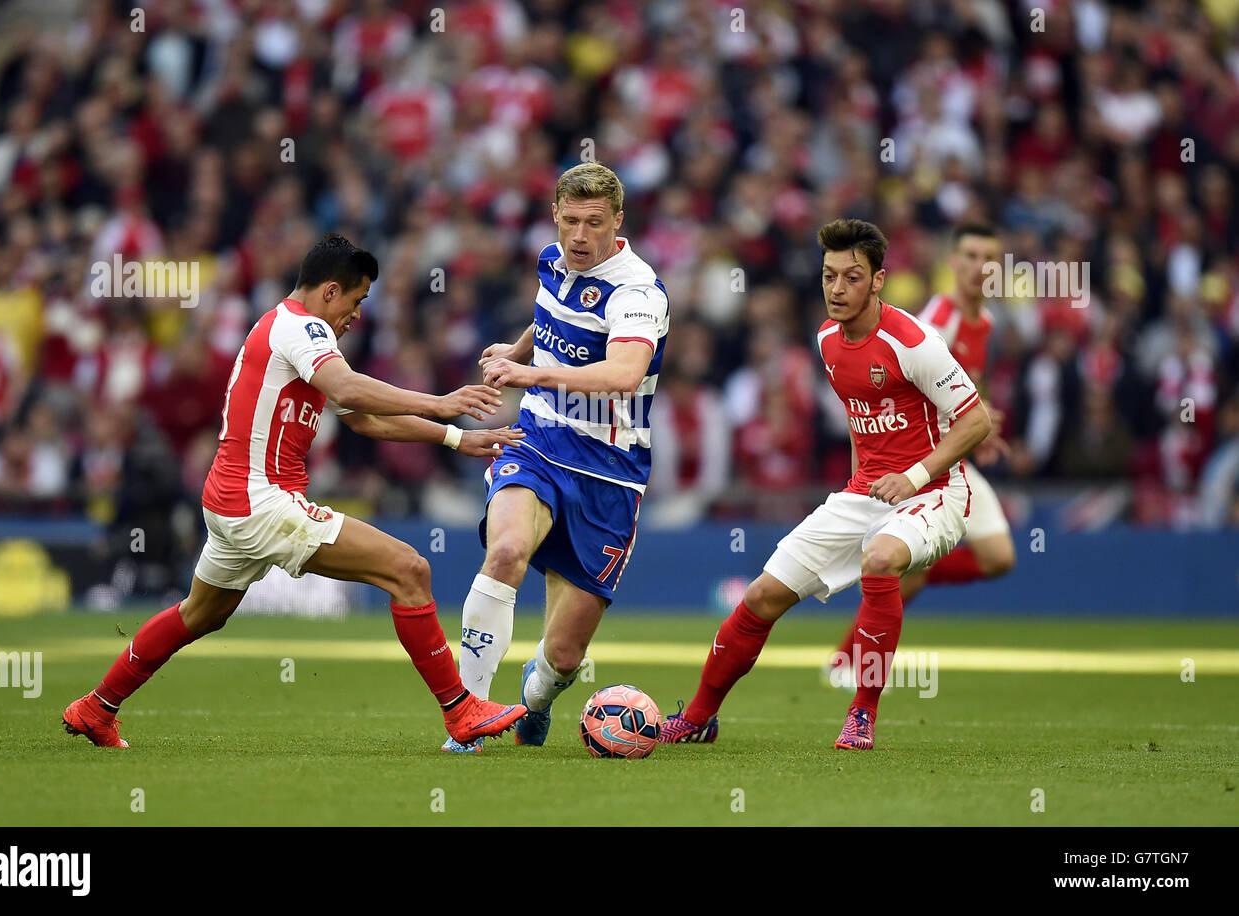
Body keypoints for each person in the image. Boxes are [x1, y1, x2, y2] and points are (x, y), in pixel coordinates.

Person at [62, 235, 528, 748]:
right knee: (410, 569)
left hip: (231, 500)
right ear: (330, 292)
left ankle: (95, 708)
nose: (356, 316)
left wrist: (457, 437)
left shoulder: (291, 334)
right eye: (356, 301)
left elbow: (364, 419)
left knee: (201, 613)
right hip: (262, 502)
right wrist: (441, 403)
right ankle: (461, 712)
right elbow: (350, 390)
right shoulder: (300, 327)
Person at [658, 218, 990, 750]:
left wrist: (914, 474)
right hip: (868, 491)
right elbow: (863, 419)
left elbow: (976, 421)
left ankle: (862, 713)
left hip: (935, 492)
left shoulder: (914, 342)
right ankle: (698, 716)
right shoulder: (827, 340)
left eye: (852, 277)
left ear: (878, 280)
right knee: (763, 596)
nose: (837, 288)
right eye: (829, 275)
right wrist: (862, 481)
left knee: (880, 560)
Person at [440, 162, 669, 752]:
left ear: (619, 222)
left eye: (594, 224)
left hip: (610, 474)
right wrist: (516, 349)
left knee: (563, 656)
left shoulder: (637, 292)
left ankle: (533, 697)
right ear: (555, 217)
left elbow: (624, 373)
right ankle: (467, 721)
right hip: (539, 442)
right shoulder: (551, 260)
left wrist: (528, 371)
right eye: (569, 221)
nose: (579, 236)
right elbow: (548, 316)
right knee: (509, 549)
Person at [827, 221, 1016, 687]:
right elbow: (910, 384)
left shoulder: (985, 323)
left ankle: (911, 570)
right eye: (970, 256)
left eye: (989, 257)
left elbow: (958, 390)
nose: (979, 266)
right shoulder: (938, 320)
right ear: (952, 263)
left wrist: (980, 423)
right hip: (920, 462)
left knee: (998, 557)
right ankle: (847, 661)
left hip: (953, 457)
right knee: (912, 567)